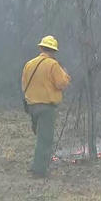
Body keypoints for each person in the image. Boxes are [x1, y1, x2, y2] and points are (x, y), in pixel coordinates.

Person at [21, 36, 71, 178]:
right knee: (45, 140)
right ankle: (39, 171)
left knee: (40, 138)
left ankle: (37, 166)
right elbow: (62, 84)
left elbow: (24, 84)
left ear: (41, 48)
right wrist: (66, 75)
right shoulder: (53, 65)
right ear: (54, 51)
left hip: (32, 107)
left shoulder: (29, 64)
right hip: (46, 108)